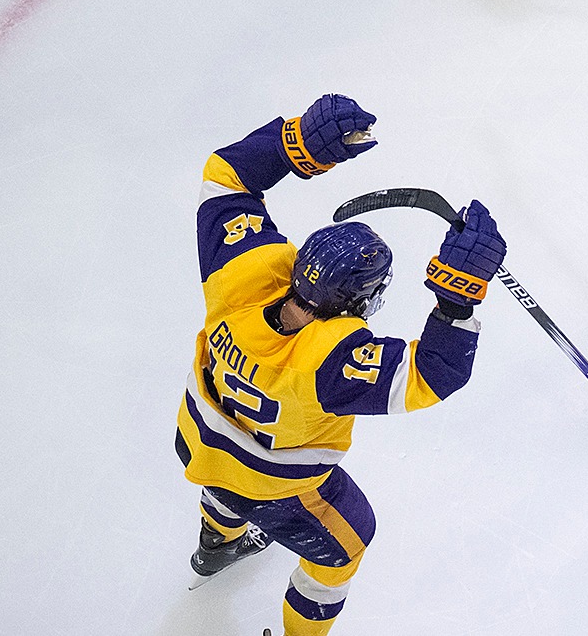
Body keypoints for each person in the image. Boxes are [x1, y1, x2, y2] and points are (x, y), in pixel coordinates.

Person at [174, 94, 508, 635]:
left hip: (197, 436)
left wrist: (296, 143)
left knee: (223, 470)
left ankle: (219, 542)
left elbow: (226, 173)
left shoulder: (243, 275)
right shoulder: (328, 360)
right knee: (346, 543)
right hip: (269, 482)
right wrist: (458, 297)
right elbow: (432, 376)